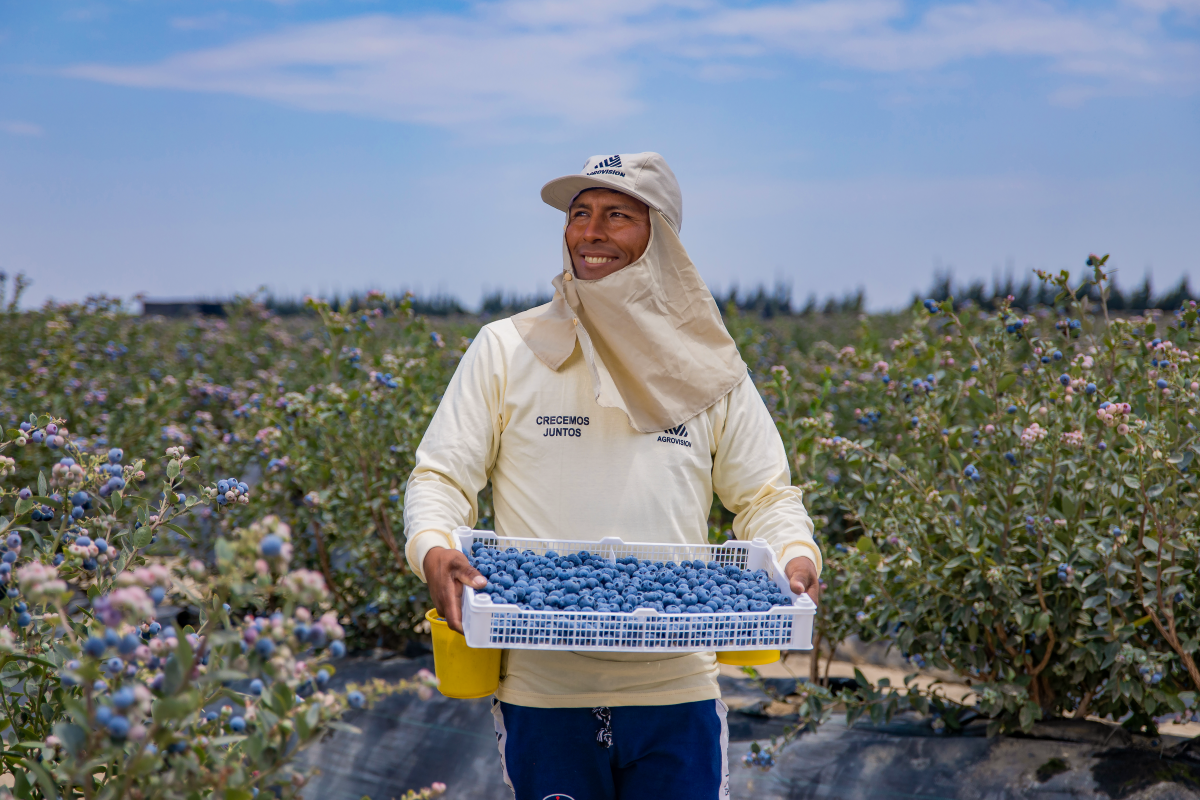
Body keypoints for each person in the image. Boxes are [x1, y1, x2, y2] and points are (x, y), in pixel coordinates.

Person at [403, 152, 821, 800]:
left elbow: (765, 494)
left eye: (616, 215)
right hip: (545, 694)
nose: (590, 232)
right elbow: (441, 478)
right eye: (579, 214)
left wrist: (795, 556)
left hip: (677, 691)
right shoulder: (507, 350)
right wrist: (433, 547)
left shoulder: (710, 372)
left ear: (662, 239)